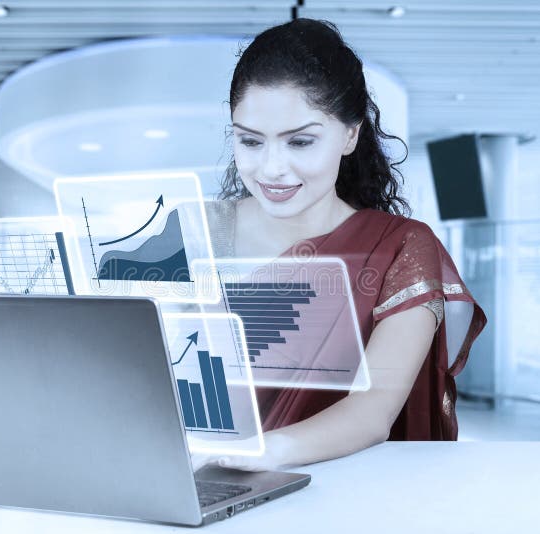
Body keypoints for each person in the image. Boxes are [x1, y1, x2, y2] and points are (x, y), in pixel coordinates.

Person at [199, 18, 486, 471]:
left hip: (343, 495)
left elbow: (372, 413)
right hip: (193, 487)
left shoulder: (401, 247)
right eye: (250, 141)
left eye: (301, 141)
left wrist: (254, 453)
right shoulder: (194, 230)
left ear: (350, 135)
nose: (272, 168)